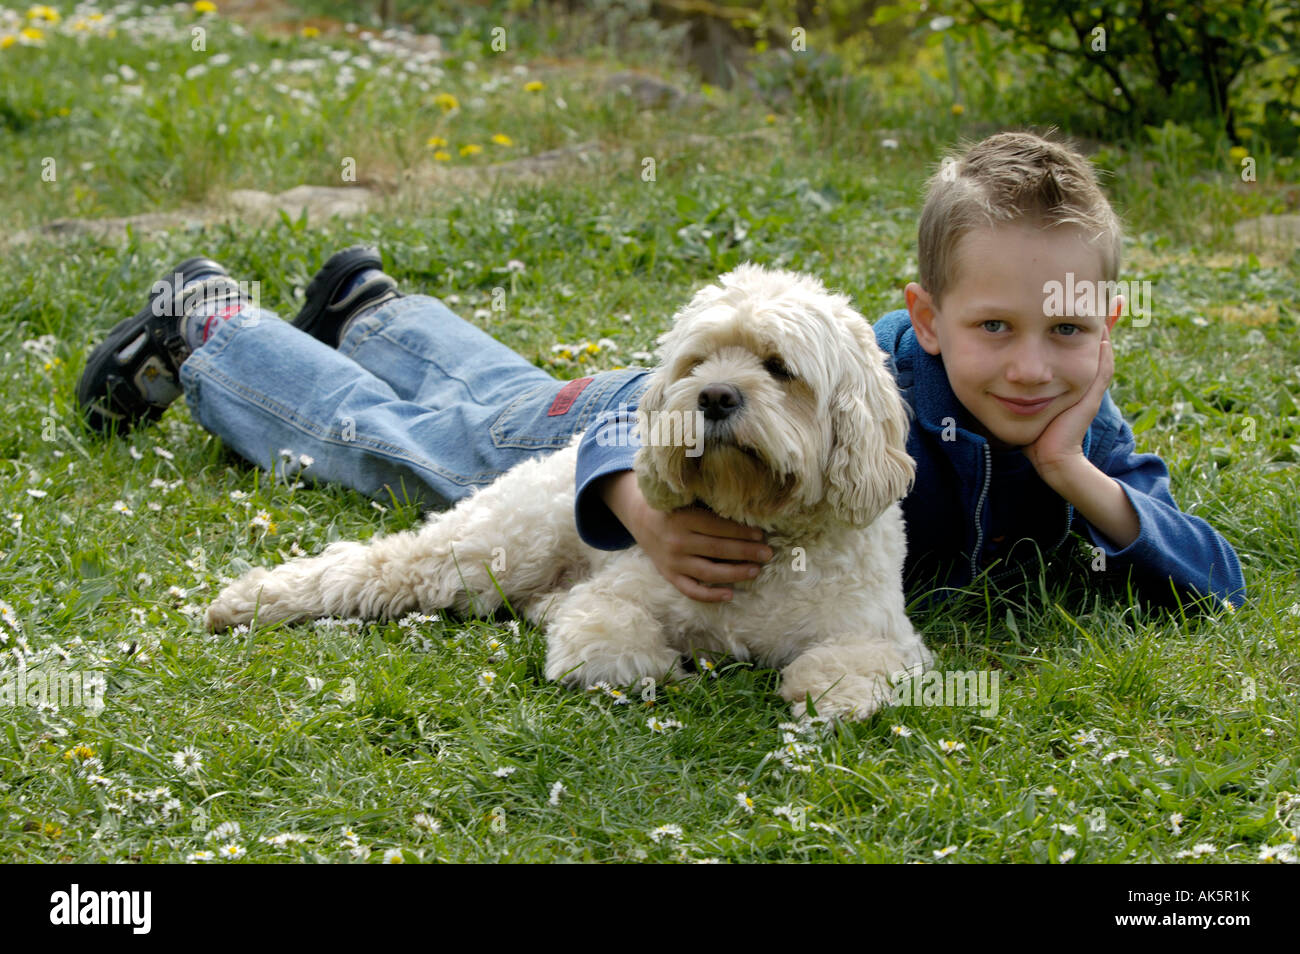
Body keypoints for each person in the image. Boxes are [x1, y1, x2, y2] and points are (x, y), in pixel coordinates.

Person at [77, 130, 1247, 612]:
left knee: (488, 402)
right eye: (995, 329)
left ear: (1103, 321)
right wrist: (636, 501)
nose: (1033, 367)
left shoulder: (1076, 422)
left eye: (1067, 331)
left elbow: (1219, 576)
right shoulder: (879, 379)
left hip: (678, 423)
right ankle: (212, 328)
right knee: (425, 456)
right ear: (926, 322)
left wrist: (1072, 474)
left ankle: (374, 318)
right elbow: (654, 408)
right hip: (644, 433)